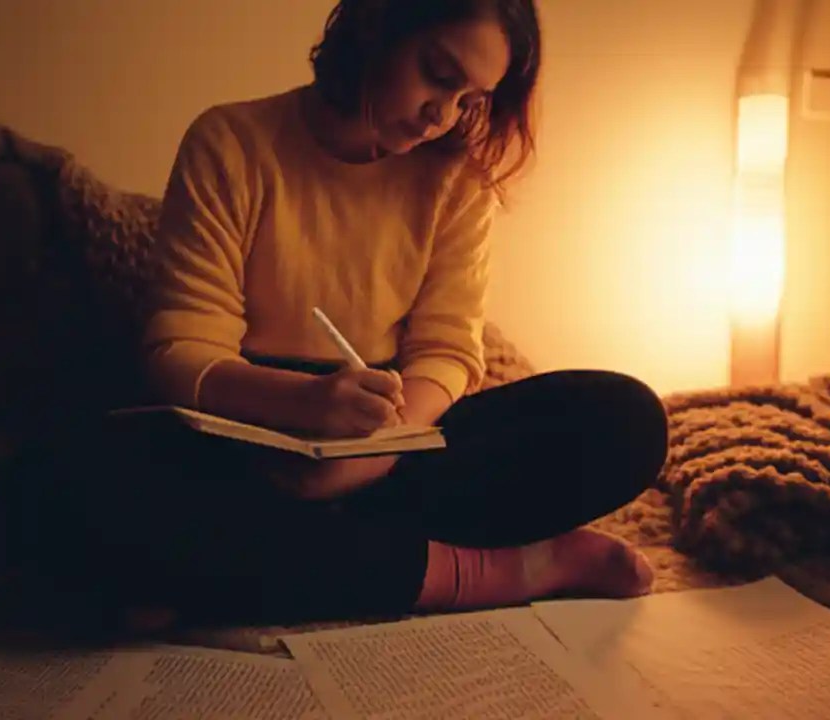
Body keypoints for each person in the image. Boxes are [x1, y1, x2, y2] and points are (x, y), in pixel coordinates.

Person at [51, 0, 668, 630]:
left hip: (394, 433)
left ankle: (273, 565)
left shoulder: (455, 180)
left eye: (471, 99)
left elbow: (447, 351)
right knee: (83, 478)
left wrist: (379, 451)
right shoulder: (232, 142)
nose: (443, 114)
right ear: (379, 26)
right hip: (248, 433)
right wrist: (303, 406)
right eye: (437, 73)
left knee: (627, 420)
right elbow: (182, 348)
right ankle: (494, 571)